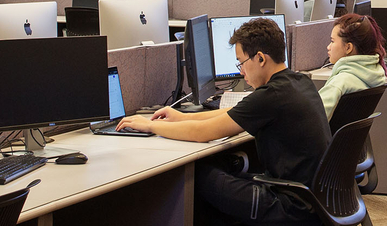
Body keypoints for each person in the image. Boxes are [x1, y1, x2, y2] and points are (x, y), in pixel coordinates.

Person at [117, 18, 329, 226]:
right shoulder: (298, 81)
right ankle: (237, 164)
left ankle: (235, 169)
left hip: (290, 207)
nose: (240, 71)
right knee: (218, 172)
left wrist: (150, 125)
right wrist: (182, 116)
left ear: (261, 59)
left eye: (242, 62)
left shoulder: (271, 95)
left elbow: (203, 133)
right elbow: (231, 113)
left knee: (197, 175)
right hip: (311, 198)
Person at [319, 12, 387, 118]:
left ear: (348, 48)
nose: (328, 47)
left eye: (332, 41)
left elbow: (312, 124)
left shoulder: (339, 83)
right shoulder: (377, 73)